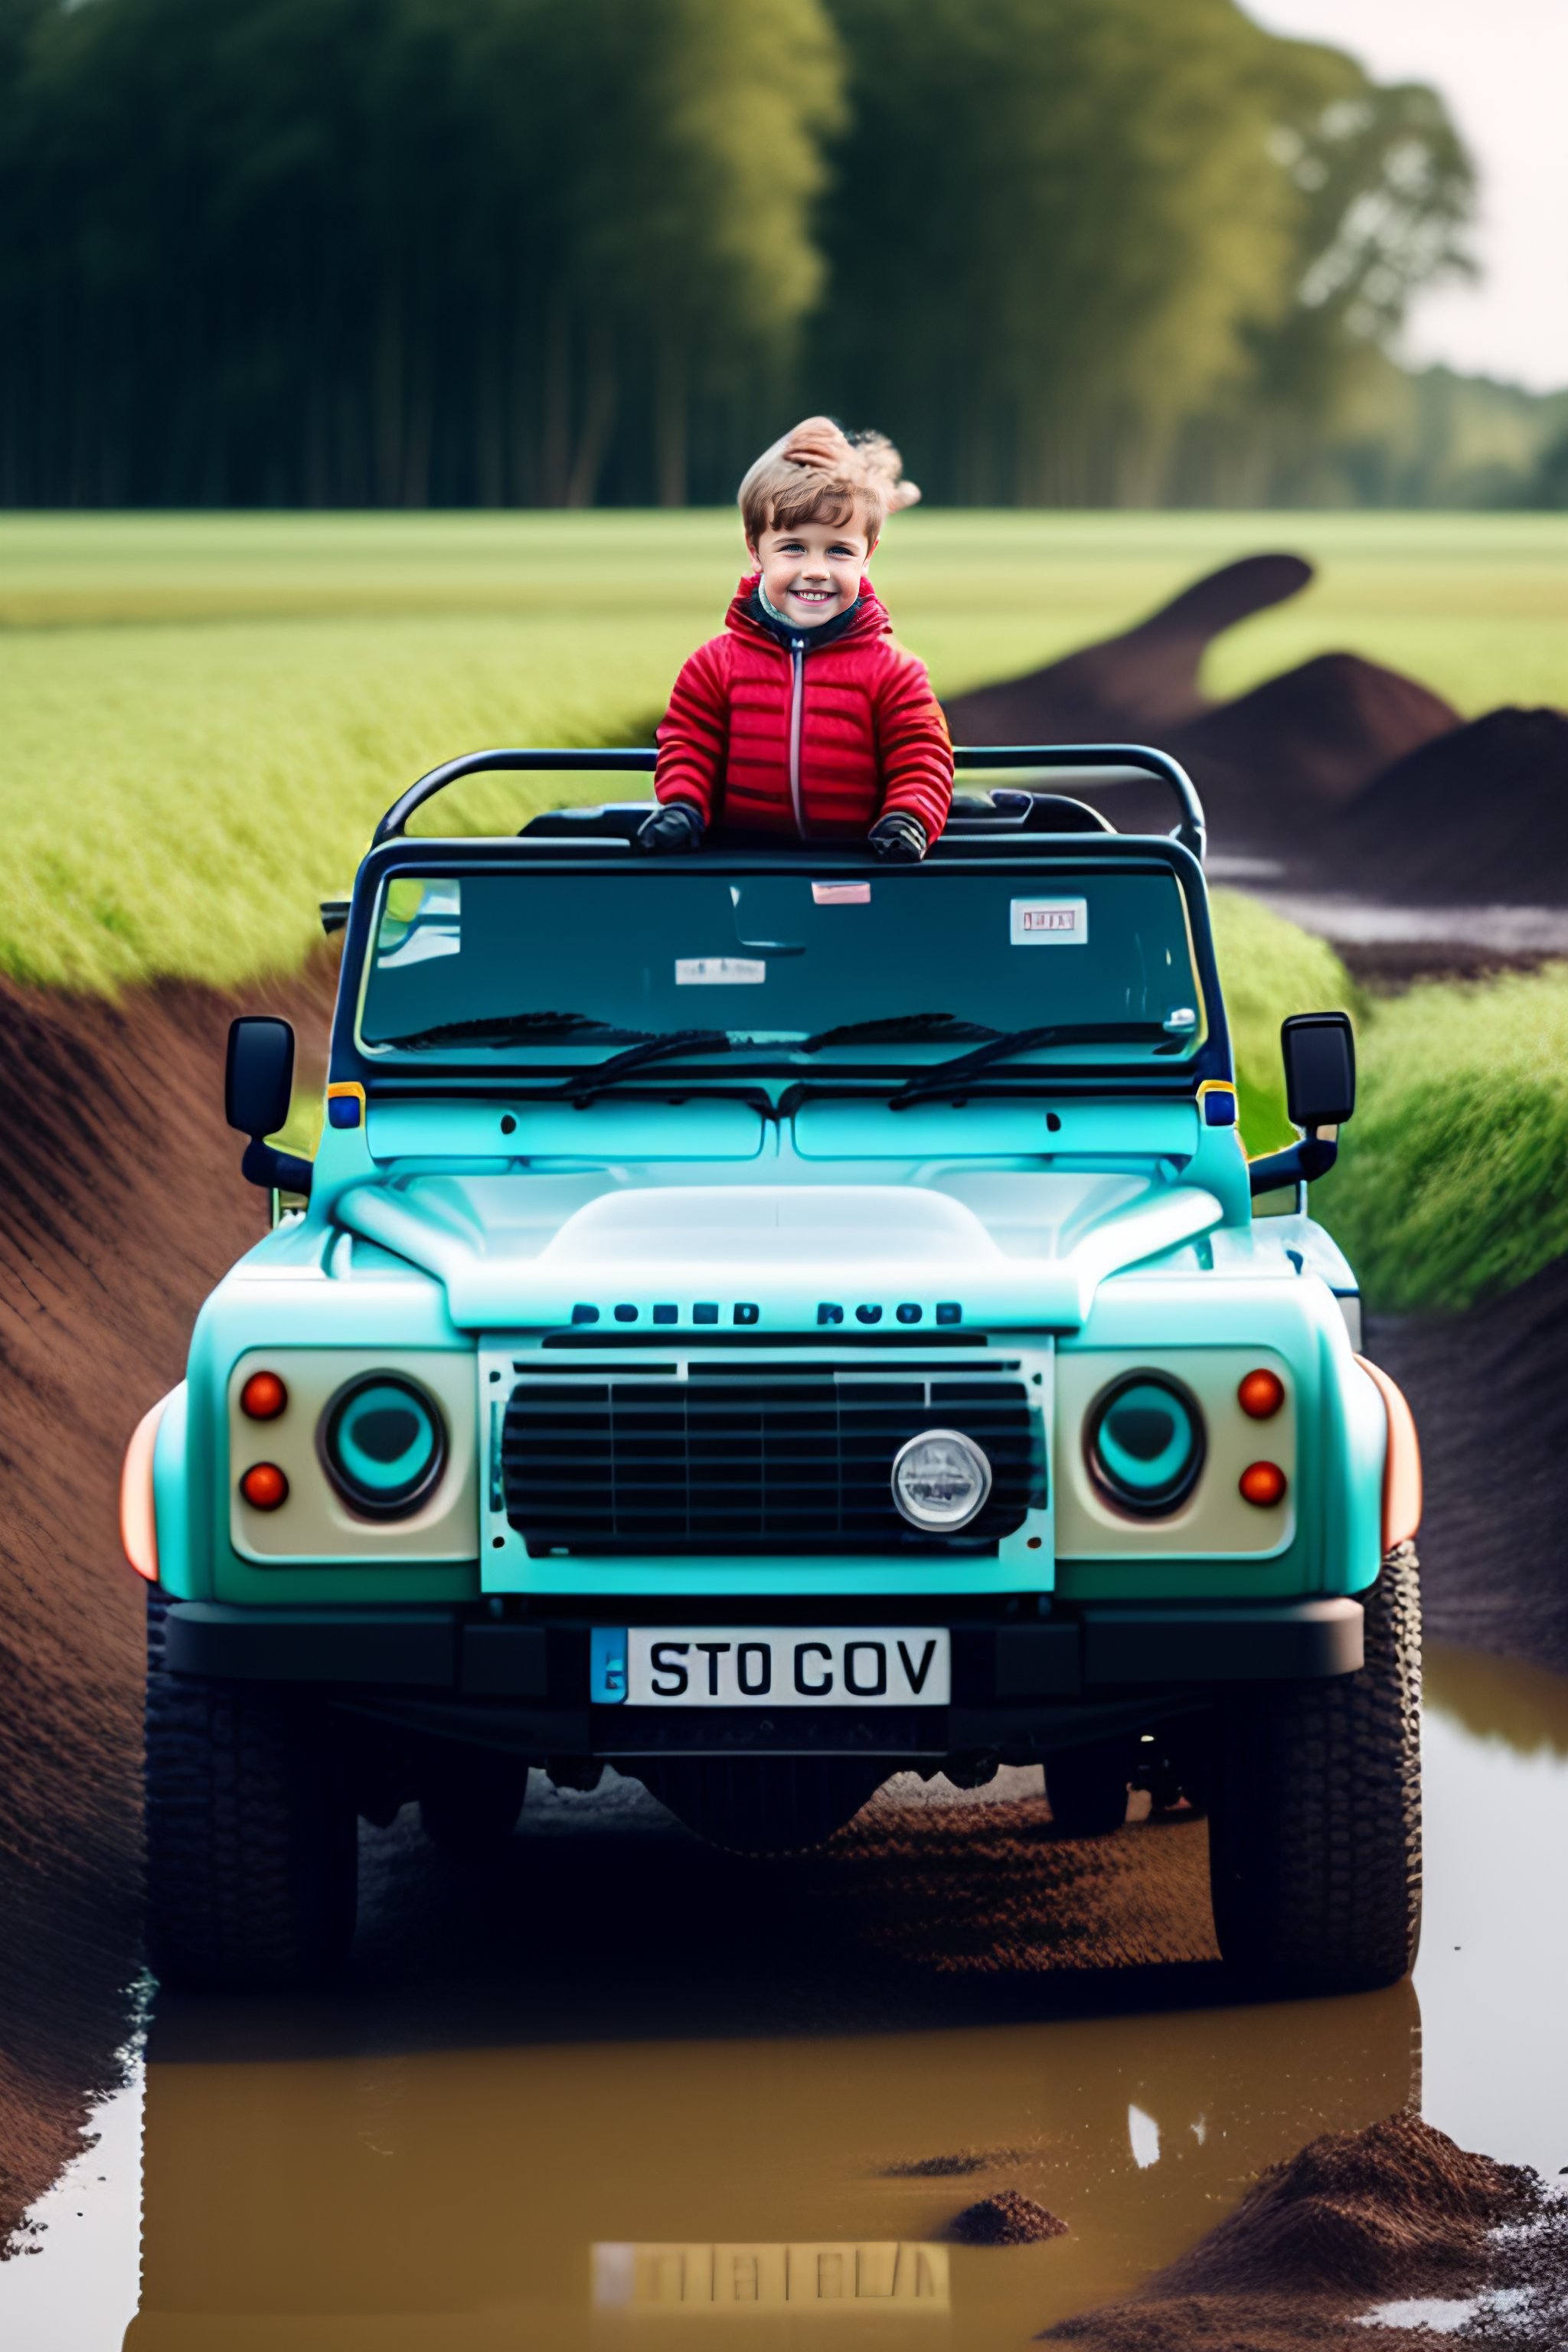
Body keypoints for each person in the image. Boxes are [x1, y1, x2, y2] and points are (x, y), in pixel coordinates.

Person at [639, 417, 953, 860]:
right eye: (793, 548)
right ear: (755, 548)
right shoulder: (713, 666)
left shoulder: (895, 672)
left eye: (839, 550)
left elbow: (921, 756)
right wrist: (684, 808)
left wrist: (908, 817)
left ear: (868, 555)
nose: (817, 570)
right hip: (741, 865)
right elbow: (690, 744)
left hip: (862, 867)